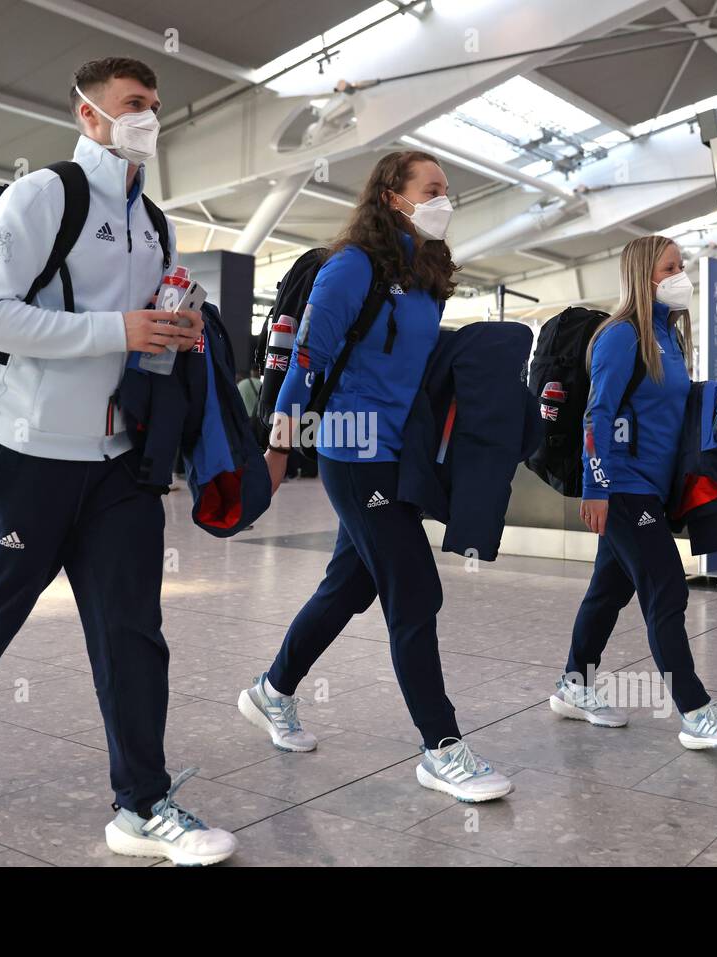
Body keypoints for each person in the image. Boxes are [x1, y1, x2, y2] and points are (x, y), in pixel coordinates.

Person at [0, 56, 236, 866]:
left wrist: (170, 332)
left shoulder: (156, 222)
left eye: (155, 105)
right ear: (89, 115)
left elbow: (138, 340)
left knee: (133, 631)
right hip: (27, 451)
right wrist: (119, 329)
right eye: (132, 105)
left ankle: (142, 804)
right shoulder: (44, 196)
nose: (148, 118)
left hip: (119, 461)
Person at [237, 150, 513, 803]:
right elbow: (307, 357)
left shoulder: (422, 274)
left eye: (448, 190)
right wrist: (279, 446)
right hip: (352, 447)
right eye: (433, 188)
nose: (445, 199)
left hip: (395, 452)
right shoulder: (352, 267)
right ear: (393, 195)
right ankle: (440, 746)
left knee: (348, 586)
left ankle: (272, 690)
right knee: (414, 591)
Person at [549, 234, 717, 750]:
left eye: (681, 265)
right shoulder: (621, 336)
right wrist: (596, 486)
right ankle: (694, 709)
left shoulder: (669, 337)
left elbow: (670, 408)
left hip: (651, 489)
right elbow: (598, 414)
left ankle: (573, 686)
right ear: (645, 277)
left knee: (609, 590)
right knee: (667, 587)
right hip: (622, 486)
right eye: (670, 267)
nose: (680, 275)